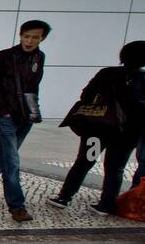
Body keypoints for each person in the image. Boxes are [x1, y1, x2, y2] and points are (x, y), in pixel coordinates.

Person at [49, 40, 145, 215]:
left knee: (84, 162)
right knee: (115, 168)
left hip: (98, 130)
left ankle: (64, 197)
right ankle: (106, 204)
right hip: (125, 136)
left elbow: (86, 95)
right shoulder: (143, 80)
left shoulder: (107, 73)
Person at [0, 20, 50, 222]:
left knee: (2, 157)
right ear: (20, 35)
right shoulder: (4, 56)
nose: (30, 40)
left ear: (42, 38)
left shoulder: (39, 57)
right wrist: (2, 110)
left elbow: (34, 86)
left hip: (26, 115)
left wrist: (33, 109)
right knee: (11, 160)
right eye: (27, 36)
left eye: (35, 37)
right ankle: (17, 206)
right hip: (6, 114)